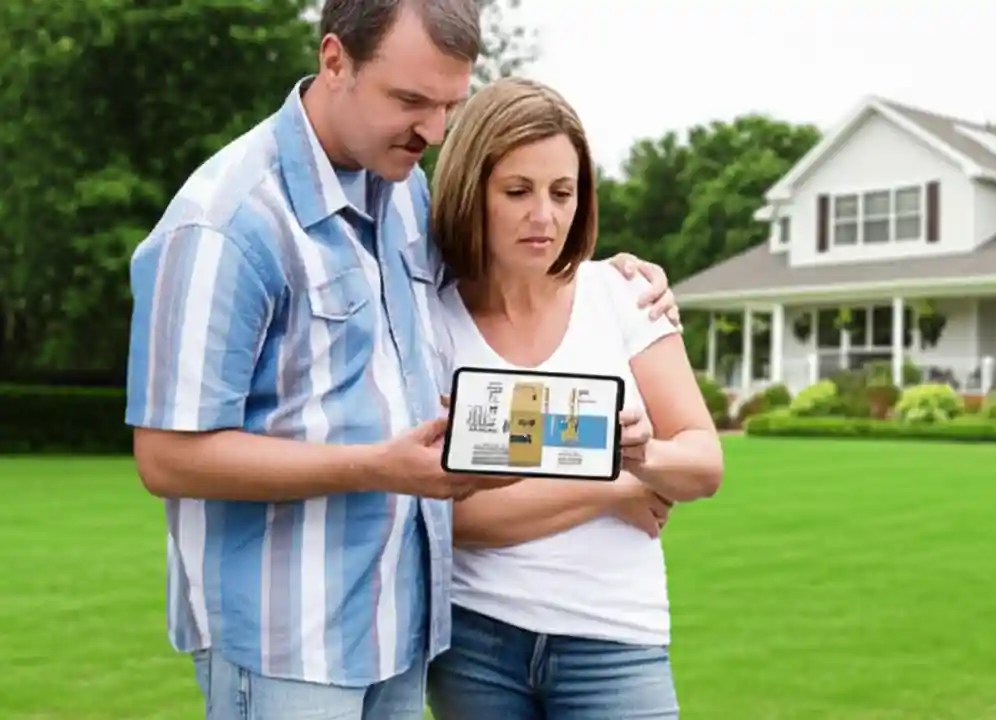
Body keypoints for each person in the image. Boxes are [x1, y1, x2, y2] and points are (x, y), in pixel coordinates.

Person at [123, 1, 680, 718]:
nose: (435, 131)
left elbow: (505, 271)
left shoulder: (405, 194)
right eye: (411, 100)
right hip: (284, 644)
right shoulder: (227, 223)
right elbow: (167, 456)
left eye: (450, 104)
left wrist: (608, 274)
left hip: (401, 635)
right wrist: (379, 467)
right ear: (335, 61)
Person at [421, 76, 724, 720]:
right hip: (474, 642)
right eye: (517, 191)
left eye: (563, 192)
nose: (545, 216)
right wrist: (614, 483)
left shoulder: (625, 297)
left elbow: (703, 464)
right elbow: (451, 519)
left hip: (616, 640)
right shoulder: (430, 320)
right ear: (470, 190)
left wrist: (642, 459)